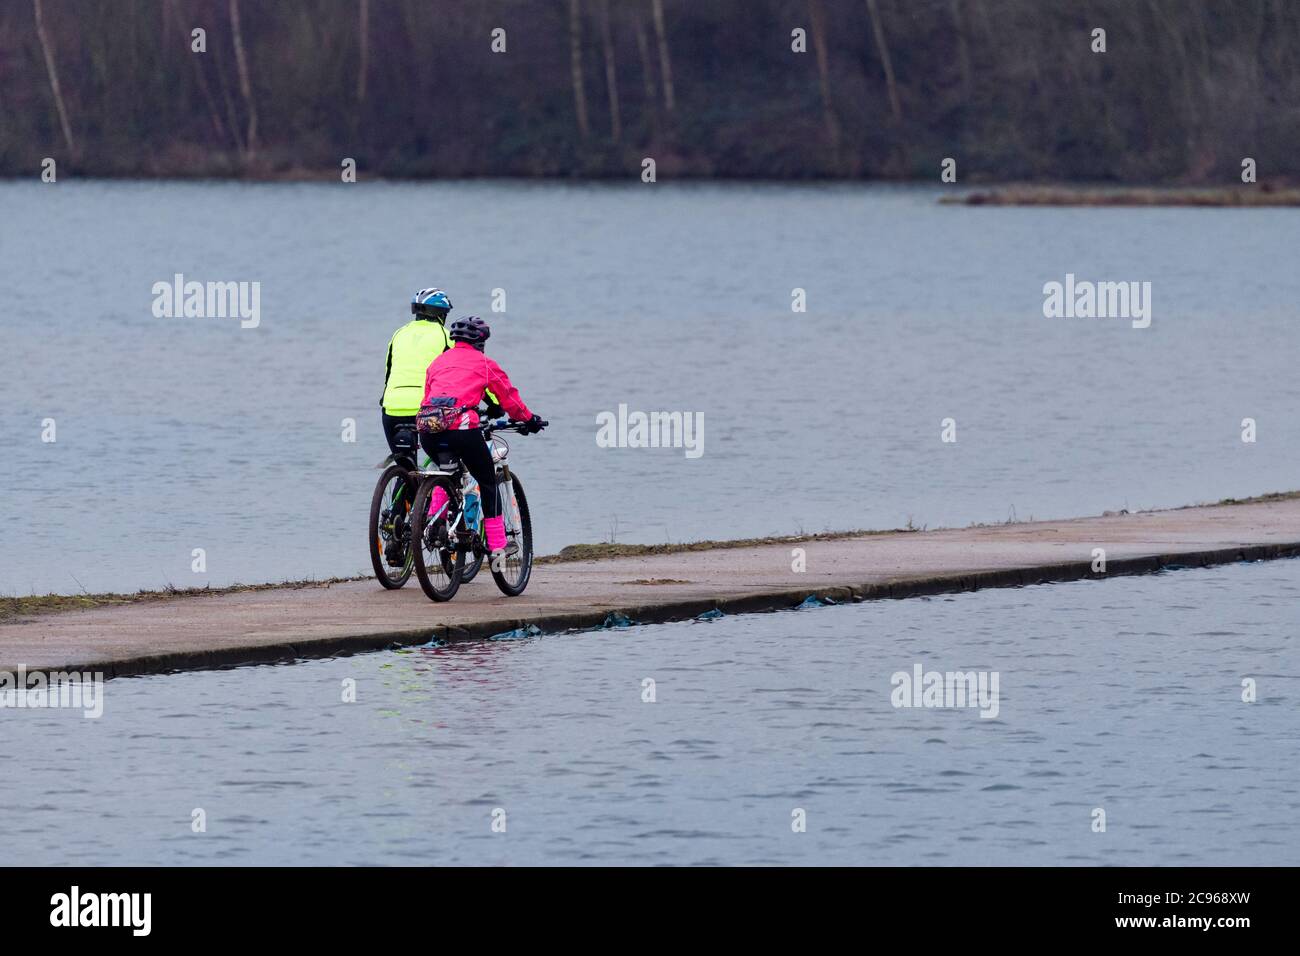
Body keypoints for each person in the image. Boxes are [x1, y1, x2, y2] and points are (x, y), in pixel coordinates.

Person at [419, 316, 544, 567]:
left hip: (428, 430)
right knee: (487, 481)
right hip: (463, 431)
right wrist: (528, 420)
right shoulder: (485, 364)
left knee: (446, 473)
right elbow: (509, 398)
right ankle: (498, 546)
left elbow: (429, 395)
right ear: (481, 341)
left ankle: (435, 522)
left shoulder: (437, 362)